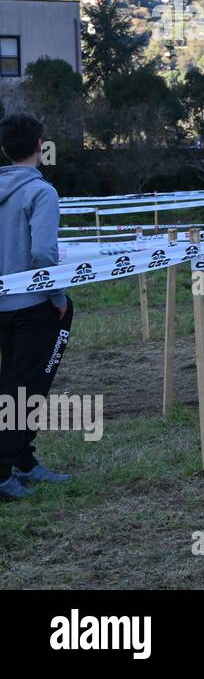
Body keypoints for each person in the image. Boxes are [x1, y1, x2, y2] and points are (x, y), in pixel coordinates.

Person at [0, 113, 73, 502]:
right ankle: (3, 469)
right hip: (32, 305)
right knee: (25, 388)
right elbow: (44, 252)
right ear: (40, 147)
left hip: (3, 304)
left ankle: (22, 460)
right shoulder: (42, 191)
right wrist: (58, 298)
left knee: (13, 382)